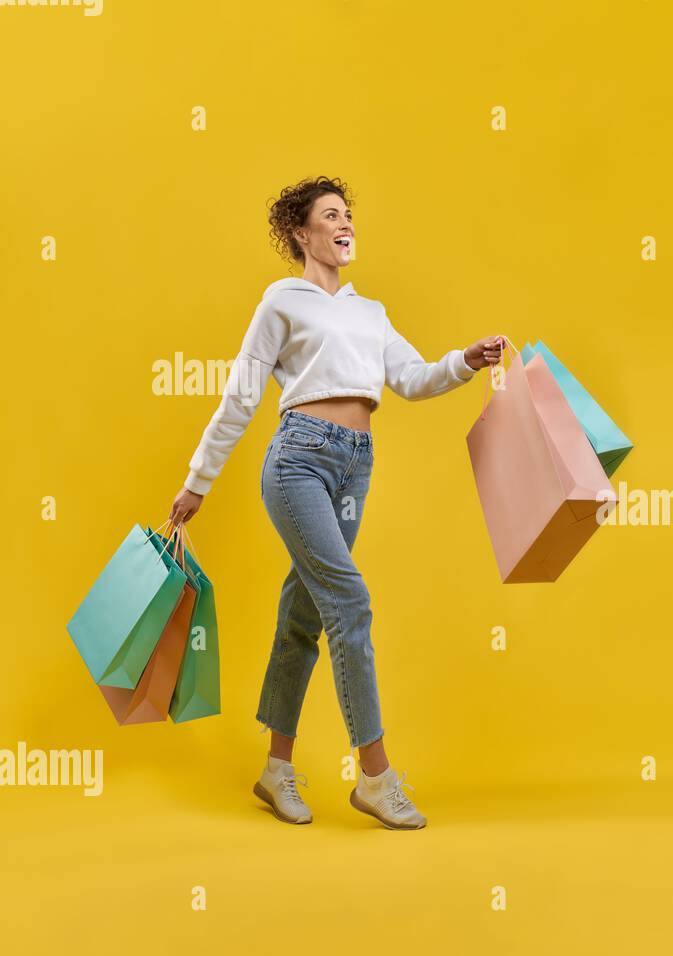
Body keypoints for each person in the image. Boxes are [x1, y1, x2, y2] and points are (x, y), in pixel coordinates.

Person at [168, 175, 503, 830]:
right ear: (302, 233)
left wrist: (464, 359)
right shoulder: (282, 301)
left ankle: (275, 769)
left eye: (349, 215)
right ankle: (375, 776)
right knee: (349, 601)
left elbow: (412, 379)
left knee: (304, 613)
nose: (345, 223)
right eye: (331, 215)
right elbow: (241, 395)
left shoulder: (370, 312)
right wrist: (197, 479)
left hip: (355, 467)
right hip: (297, 460)